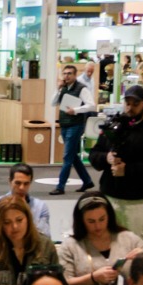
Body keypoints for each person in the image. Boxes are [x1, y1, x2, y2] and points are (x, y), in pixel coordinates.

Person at [87, 84, 143, 247]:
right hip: (109, 197)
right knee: (107, 248)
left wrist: (128, 170)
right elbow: (93, 154)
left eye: (135, 104)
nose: (130, 108)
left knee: (139, 250)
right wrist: (107, 158)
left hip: (137, 202)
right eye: (128, 103)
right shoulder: (113, 127)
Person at [57, 192, 143, 285]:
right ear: (81, 221)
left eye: (102, 219)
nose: (98, 226)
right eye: (91, 221)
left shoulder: (129, 239)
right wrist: (93, 278)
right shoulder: (70, 246)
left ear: (109, 216)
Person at [49, 61, 95, 194]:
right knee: (73, 156)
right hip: (64, 124)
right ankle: (87, 181)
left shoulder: (82, 88)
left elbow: (91, 105)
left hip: (76, 125)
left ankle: (60, 186)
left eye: (69, 74)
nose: (66, 76)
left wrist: (76, 110)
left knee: (67, 156)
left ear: (75, 75)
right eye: (64, 74)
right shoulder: (63, 88)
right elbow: (53, 103)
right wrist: (58, 89)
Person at [0, 163, 52, 235]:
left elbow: (45, 236)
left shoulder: (41, 207)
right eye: (17, 183)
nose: (22, 188)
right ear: (10, 181)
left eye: (26, 184)